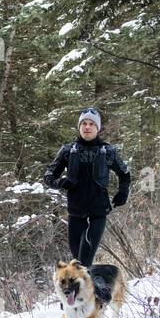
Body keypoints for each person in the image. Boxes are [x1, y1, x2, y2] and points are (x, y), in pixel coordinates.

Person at [42, 107, 130, 267]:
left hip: (98, 213)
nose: (87, 127)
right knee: (79, 263)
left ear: (97, 128)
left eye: (91, 124)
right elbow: (48, 176)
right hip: (75, 213)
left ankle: (95, 289)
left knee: (82, 263)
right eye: (84, 123)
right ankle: (96, 288)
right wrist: (60, 182)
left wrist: (123, 192)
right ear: (79, 127)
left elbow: (125, 174)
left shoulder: (108, 151)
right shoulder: (68, 150)